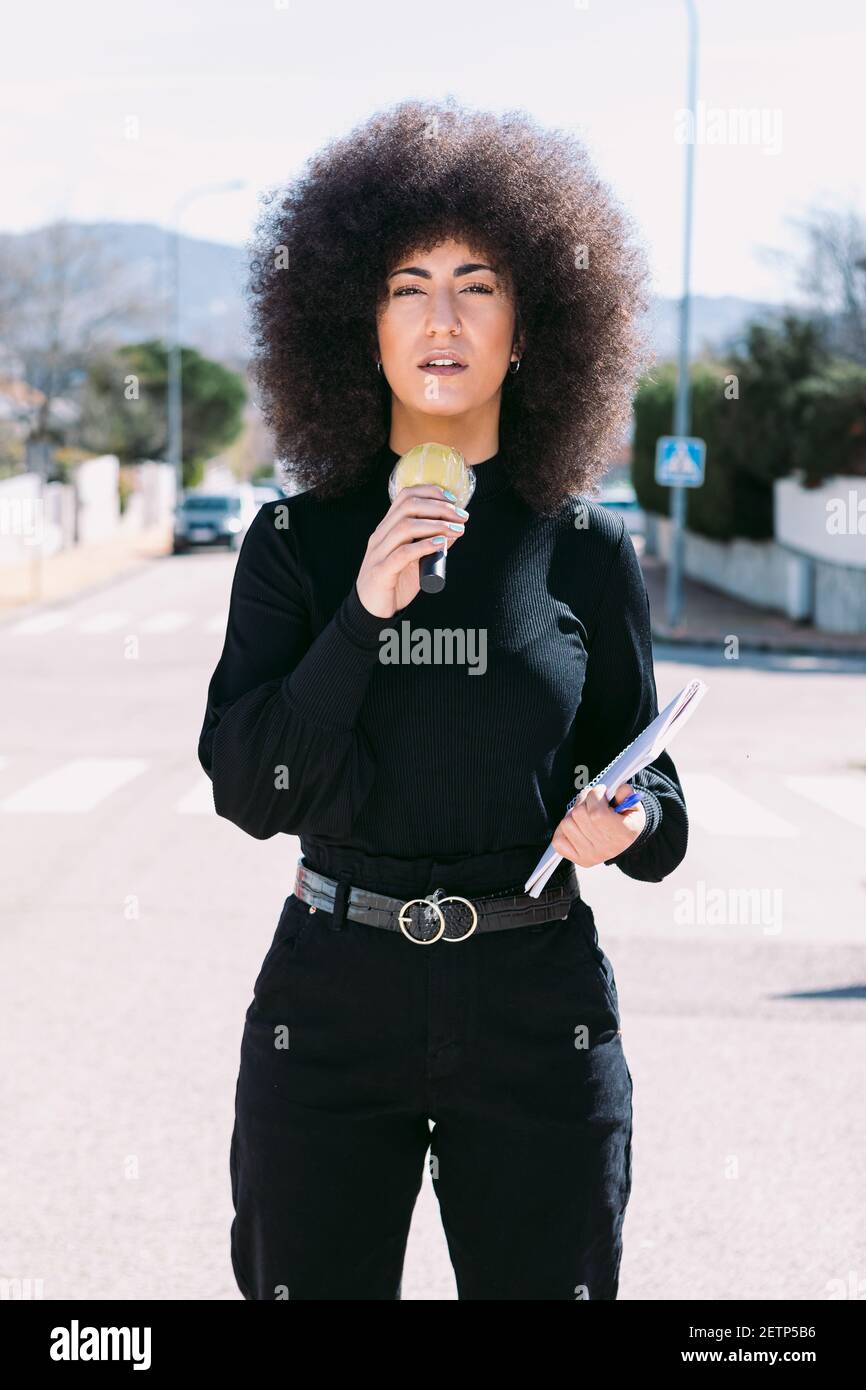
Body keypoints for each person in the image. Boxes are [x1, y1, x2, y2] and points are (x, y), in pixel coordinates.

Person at [198, 96, 688, 1301]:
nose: (440, 317)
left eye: (477, 285)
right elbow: (248, 784)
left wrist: (629, 824)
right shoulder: (295, 543)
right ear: (354, 326)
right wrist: (360, 615)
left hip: (537, 1005)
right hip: (332, 996)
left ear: (530, 330)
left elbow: (657, 795)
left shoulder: (584, 547)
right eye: (407, 285)